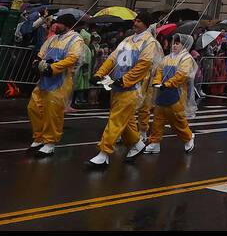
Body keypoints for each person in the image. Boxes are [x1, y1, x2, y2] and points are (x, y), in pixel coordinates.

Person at [87, 17, 161, 167]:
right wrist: (99, 74)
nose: (135, 23)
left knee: (116, 119)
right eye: (135, 21)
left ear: (146, 25)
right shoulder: (128, 40)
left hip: (132, 89)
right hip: (117, 86)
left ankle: (104, 153)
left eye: (139, 21)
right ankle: (137, 143)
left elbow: (143, 65)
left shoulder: (150, 42)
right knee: (124, 120)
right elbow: (113, 58)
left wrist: (126, 80)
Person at [27, 14, 85, 156]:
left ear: (67, 24)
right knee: (34, 107)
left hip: (61, 81)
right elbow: (41, 54)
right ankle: (39, 137)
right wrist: (37, 63)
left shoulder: (75, 40)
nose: (55, 25)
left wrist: (53, 68)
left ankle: (50, 142)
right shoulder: (53, 38)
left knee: (53, 111)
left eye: (59, 23)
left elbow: (72, 58)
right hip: (44, 80)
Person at [142, 33, 197, 154]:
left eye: (177, 43)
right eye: (174, 43)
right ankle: (154, 142)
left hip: (177, 94)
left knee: (177, 119)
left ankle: (188, 138)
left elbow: (182, 75)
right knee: (158, 119)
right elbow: (159, 71)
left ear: (184, 45)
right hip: (162, 93)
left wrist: (168, 84)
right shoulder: (167, 58)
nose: (174, 46)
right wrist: (157, 82)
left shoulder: (186, 58)